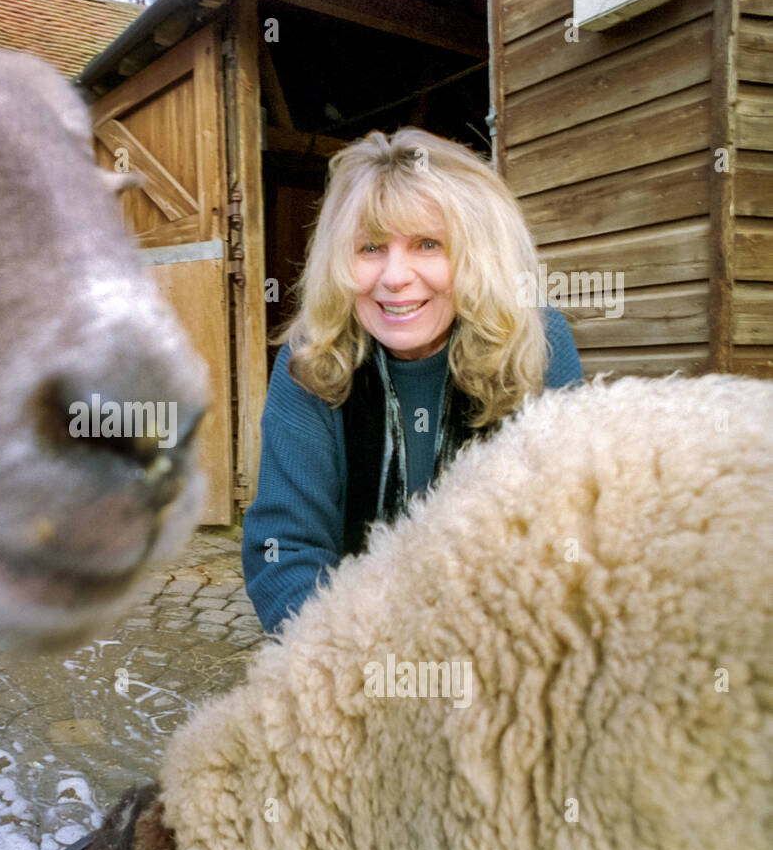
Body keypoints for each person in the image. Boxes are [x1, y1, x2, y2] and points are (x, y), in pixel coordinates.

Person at [243, 127, 583, 635]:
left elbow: (570, 525)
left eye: (428, 244)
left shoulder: (539, 340)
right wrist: (354, 664)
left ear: (479, 257)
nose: (394, 276)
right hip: (355, 639)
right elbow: (285, 549)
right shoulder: (311, 359)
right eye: (370, 247)